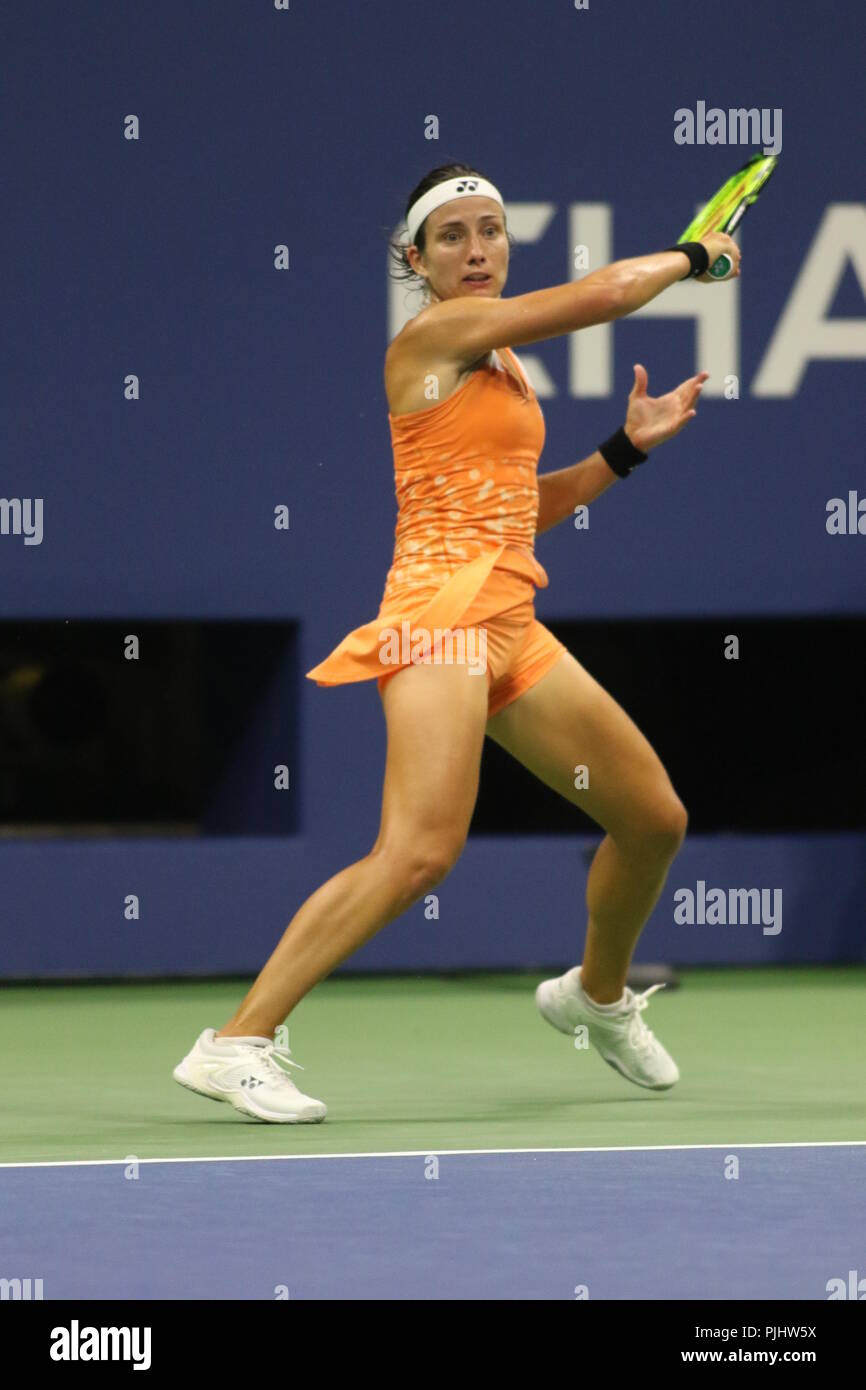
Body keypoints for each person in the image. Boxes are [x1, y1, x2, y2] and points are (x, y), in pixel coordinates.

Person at [173, 163, 741, 1123]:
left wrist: (623, 451)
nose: (477, 249)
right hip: (441, 619)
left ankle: (596, 998)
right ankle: (237, 1042)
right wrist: (693, 257)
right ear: (417, 258)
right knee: (419, 854)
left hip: (509, 622)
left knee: (653, 820)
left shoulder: (500, 364)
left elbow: (519, 510)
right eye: (452, 236)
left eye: (491, 230)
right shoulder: (434, 337)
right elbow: (601, 295)